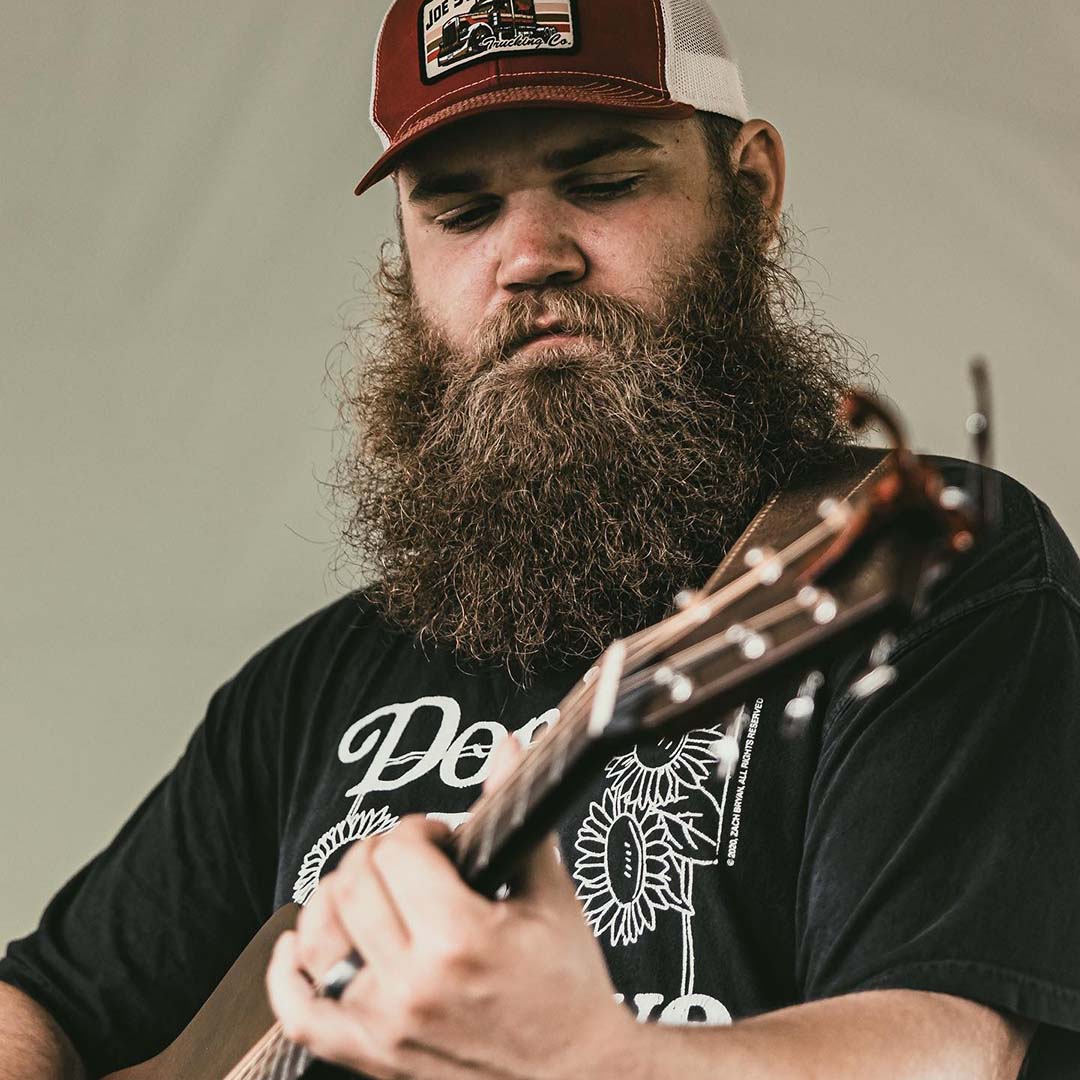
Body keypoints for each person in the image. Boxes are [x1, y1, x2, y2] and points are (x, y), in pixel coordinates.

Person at [2, 0, 1078, 1077]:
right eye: (462, 212)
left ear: (751, 194)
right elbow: (40, 1005)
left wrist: (585, 1055)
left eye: (603, 182)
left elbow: (941, 1051)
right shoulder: (306, 692)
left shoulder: (926, 574)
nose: (527, 257)